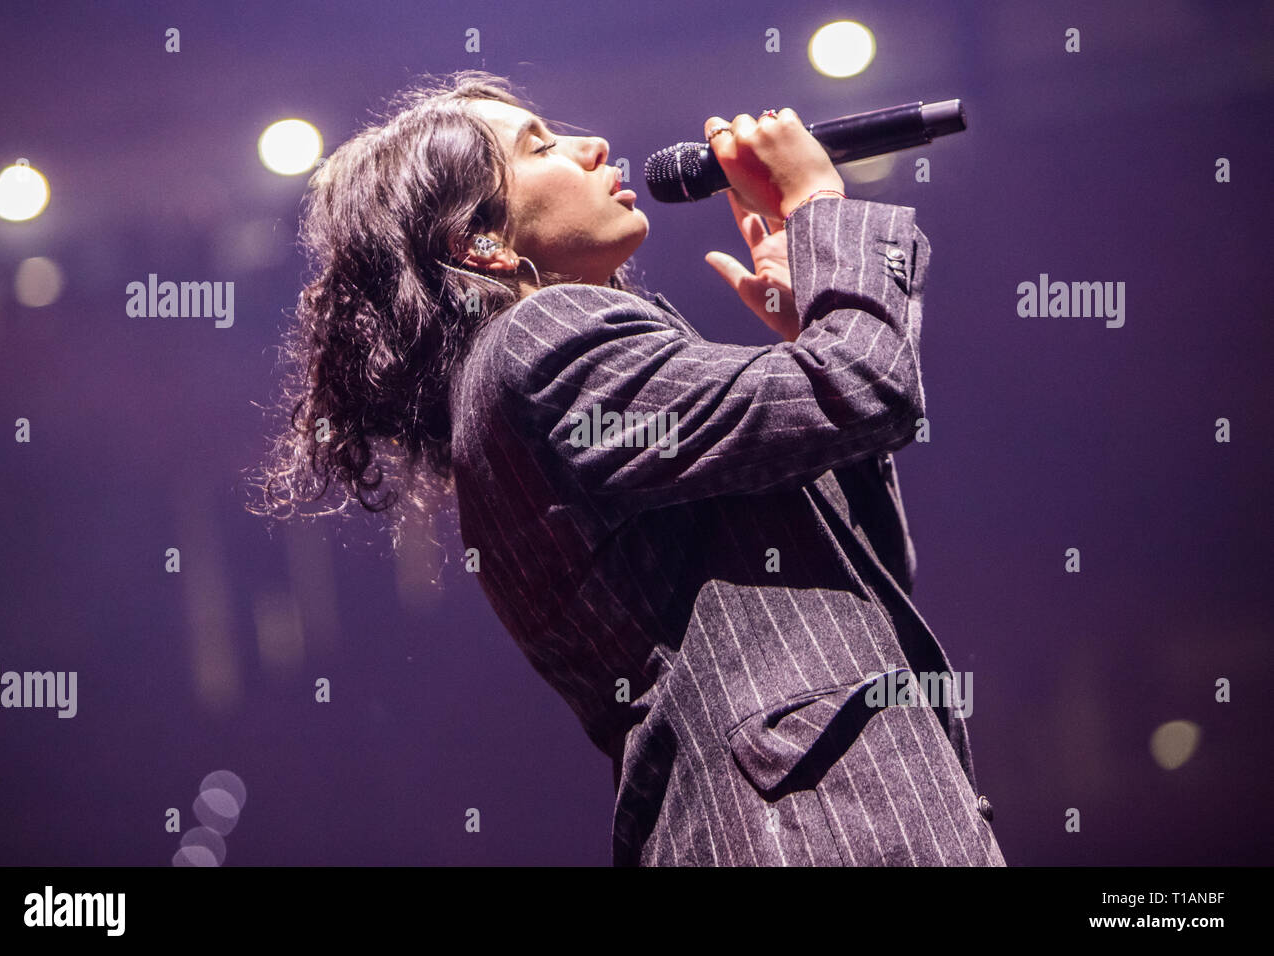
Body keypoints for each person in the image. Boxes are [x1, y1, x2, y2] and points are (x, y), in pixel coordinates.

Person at [249, 70, 1005, 867]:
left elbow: (879, 567)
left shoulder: (539, 378)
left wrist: (808, 340)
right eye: (539, 146)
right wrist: (820, 206)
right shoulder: (541, 341)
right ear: (480, 242)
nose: (592, 145)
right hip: (814, 831)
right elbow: (867, 389)